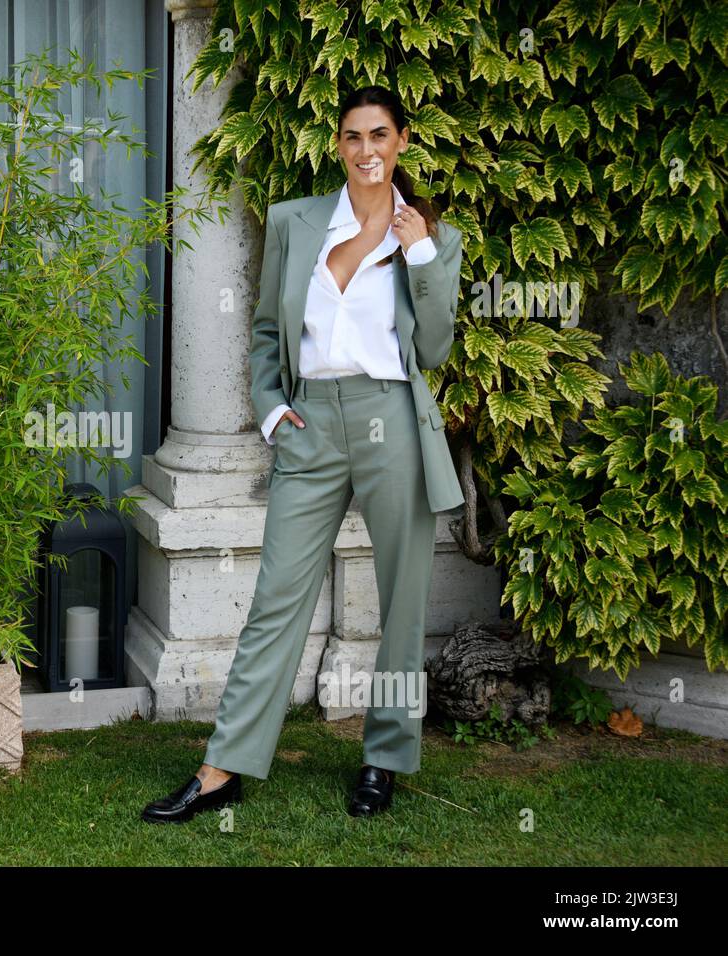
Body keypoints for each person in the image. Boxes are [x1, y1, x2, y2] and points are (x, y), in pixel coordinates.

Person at [142, 85, 465, 823]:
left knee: (403, 604)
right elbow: (265, 333)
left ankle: (384, 761)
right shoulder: (296, 221)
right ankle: (223, 767)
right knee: (275, 601)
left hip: (393, 422)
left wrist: (418, 256)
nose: (366, 150)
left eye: (379, 135)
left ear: (403, 141)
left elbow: (436, 347)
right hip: (312, 424)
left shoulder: (433, 238)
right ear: (339, 146)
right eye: (352, 136)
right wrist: (272, 411)